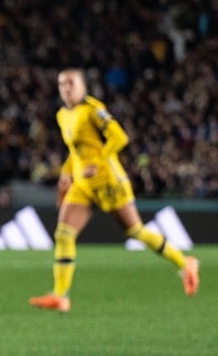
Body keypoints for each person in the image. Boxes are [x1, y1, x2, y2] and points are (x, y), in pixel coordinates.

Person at [29, 67, 199, 312]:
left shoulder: (93, 109)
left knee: (136, 231)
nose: (66, 88)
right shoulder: (62, 115)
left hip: (109, 181)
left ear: (82, 87)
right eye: (62, 84)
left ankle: (185, 262)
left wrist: (97, 163)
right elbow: (76, 151)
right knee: (64, 234)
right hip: (83, 184)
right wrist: (66, 174)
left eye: (71, 83)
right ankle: (60, 295)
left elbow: (120, 137)